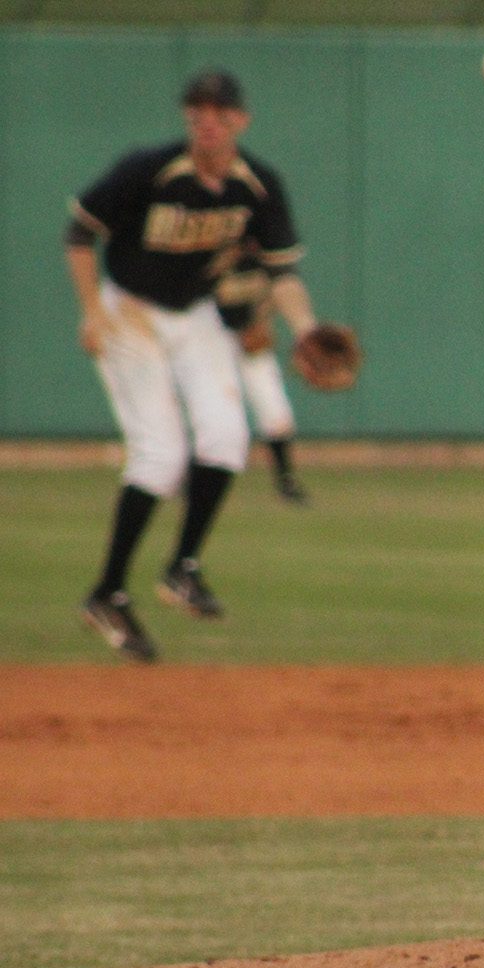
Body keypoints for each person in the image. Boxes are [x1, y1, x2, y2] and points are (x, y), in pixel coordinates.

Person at [67, 69, 321, 662]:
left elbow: (282, 271)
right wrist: (89, 312)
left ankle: (182, 567)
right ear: (187, 118)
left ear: (241, 120)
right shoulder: (149, 169)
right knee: (159, 456)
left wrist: (304, 329)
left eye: (221, 110)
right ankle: (107, 593)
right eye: (198, 109)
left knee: (230, 438)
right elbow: (79, 232)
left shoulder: (256, 186)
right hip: (129, 313)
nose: (209, 119)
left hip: (194, 314)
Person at [214, 241, 309, 504]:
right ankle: (189, 480)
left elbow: (275, 293)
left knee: (276, 413)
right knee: (213, 415)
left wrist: (261, 324)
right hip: (212, 339)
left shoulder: (266, 262)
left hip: (250, 341)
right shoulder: (213, 255)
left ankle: (285, 480)